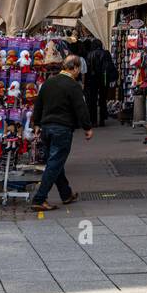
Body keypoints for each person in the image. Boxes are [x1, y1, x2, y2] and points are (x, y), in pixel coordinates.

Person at [30, 54, 92, 211]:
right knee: (54, 163)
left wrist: (36, 123)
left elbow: (38, 104)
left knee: (55, 162)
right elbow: (81, 108)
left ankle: (66, 194)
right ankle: (40, 198)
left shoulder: (48, 83)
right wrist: (87, 127)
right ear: (75, 68)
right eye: (79, 69)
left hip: (46, 128)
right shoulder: (73, 85)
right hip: (62, 128)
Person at [84, 39, 117, 127]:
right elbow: (109, 66)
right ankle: (102, 119)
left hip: (93, 79)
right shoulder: (106, 53)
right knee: (103, 99)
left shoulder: (90, 54)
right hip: (104, 79)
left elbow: (87, 69)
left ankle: (93, 120)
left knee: (92, 100)